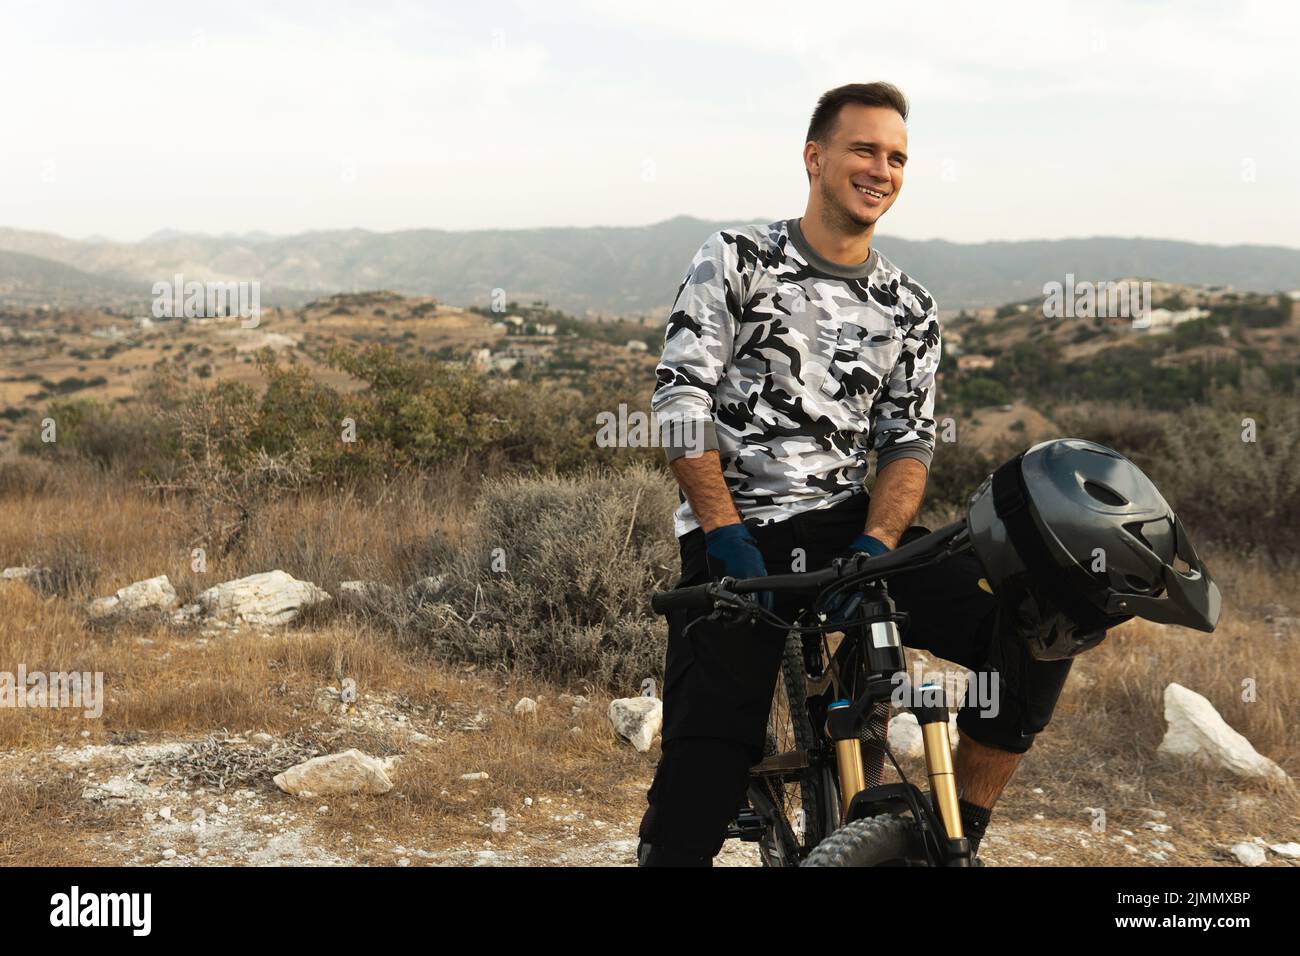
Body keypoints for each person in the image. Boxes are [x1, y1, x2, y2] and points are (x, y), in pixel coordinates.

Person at [637, 82, 1064, 866]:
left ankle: (956, 828)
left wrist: (877, 542)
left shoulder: (909, 306)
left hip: (846, 526)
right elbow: (680, 400)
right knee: (705, 765)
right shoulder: (735, 258)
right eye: (864, 149)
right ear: (815, 156)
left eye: (897, 156)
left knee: (1041, 615)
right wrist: (724, 534)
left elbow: (907, 444)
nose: (883, 169)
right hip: (739, 532)